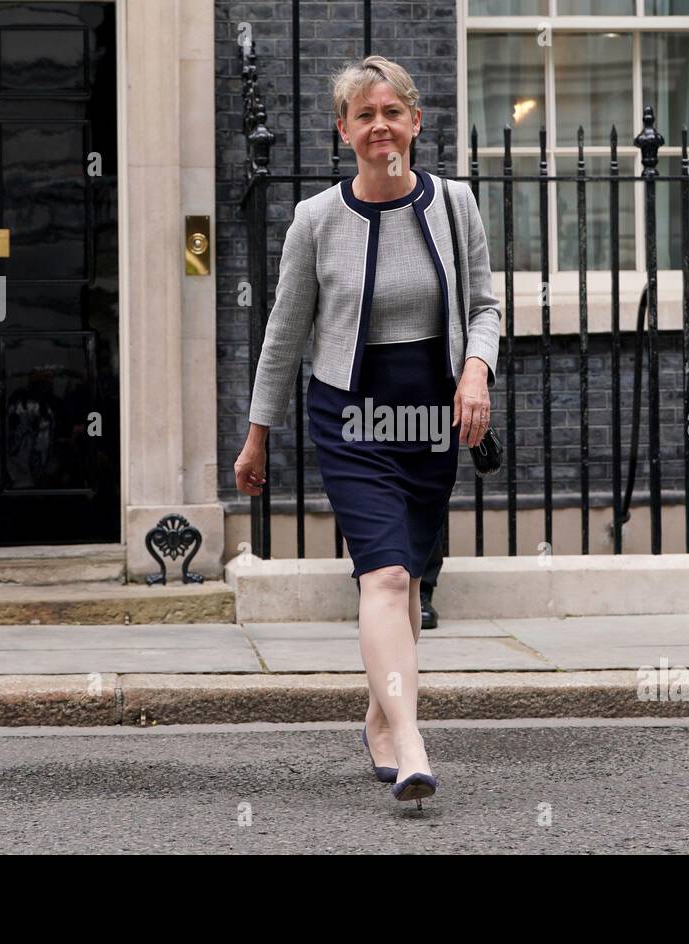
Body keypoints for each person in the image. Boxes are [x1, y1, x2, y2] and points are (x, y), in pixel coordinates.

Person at [234, 55, 500, 807]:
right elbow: (284, 336)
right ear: (343, 132)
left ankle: (382, 720)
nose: (379, 125)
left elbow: (484, 306)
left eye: (391, 111)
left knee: (408, 579)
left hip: (431, 414)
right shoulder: (316, 222)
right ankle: (410, 739)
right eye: (363, 115)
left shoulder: (455, 205)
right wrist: (258, 436)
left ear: (415, 122)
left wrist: (475, 372)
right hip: (350, 414)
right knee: (382, 575)